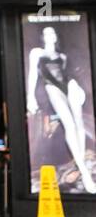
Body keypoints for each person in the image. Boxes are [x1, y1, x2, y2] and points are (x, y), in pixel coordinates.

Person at [27, 25, 96, 193]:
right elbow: (33, 76)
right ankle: (85, 173)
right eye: (46, 32)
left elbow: (66, 75)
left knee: (78, 123)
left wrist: (78, 88)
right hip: (52, 87)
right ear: (43, 37)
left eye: (52, 32)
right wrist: (30, 97)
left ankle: (80, 168)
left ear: (56, 36)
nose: (50, 35)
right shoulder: (36, 52)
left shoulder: (62, 56)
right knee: (69, 124)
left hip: (69, 86)